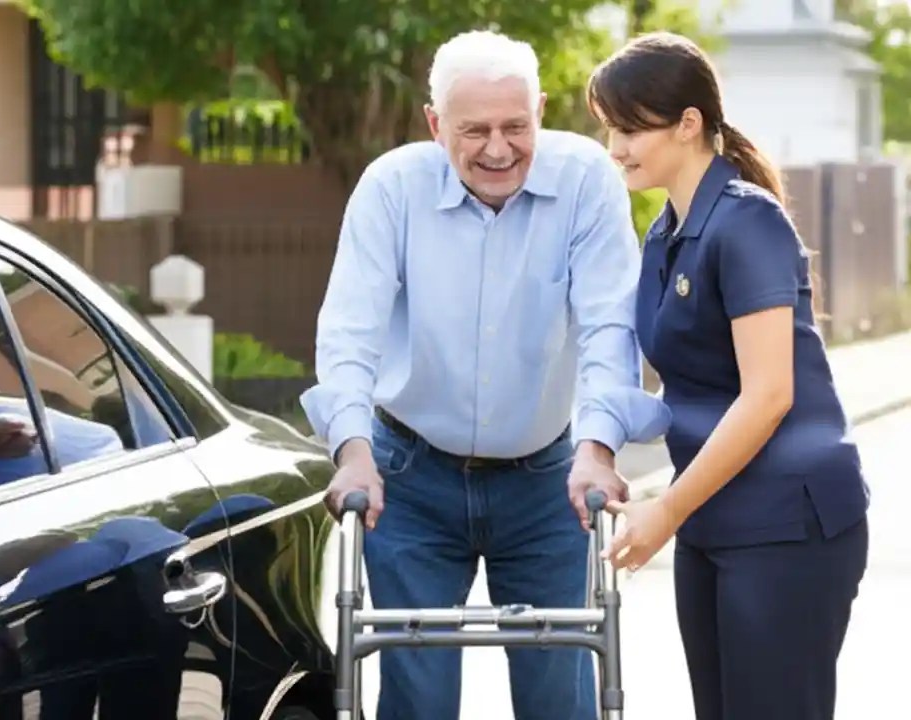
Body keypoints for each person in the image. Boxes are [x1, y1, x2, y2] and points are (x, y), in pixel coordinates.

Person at [301, 30, 670, 720]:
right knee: (418, 696)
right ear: (436, 124)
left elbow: (608, 327)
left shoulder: (586, 180)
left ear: (542, 112)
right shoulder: (392, 187)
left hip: (547, 480)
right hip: (409, 477)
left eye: (516, 126)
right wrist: (352, 453)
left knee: (560, 690)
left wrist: (598, 449)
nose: (498, 150)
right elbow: (350, 331)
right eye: (474, 130)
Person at [585, 32, 870, 720]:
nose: (615, 147)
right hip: (713, 523)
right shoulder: (663, 233)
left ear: (688, 124)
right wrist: (596, 444)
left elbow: (769, 395)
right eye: (609, 131)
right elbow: (685, 388)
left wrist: (667, 509)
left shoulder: (747, 221)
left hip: (788, 525)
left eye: (629, 129)